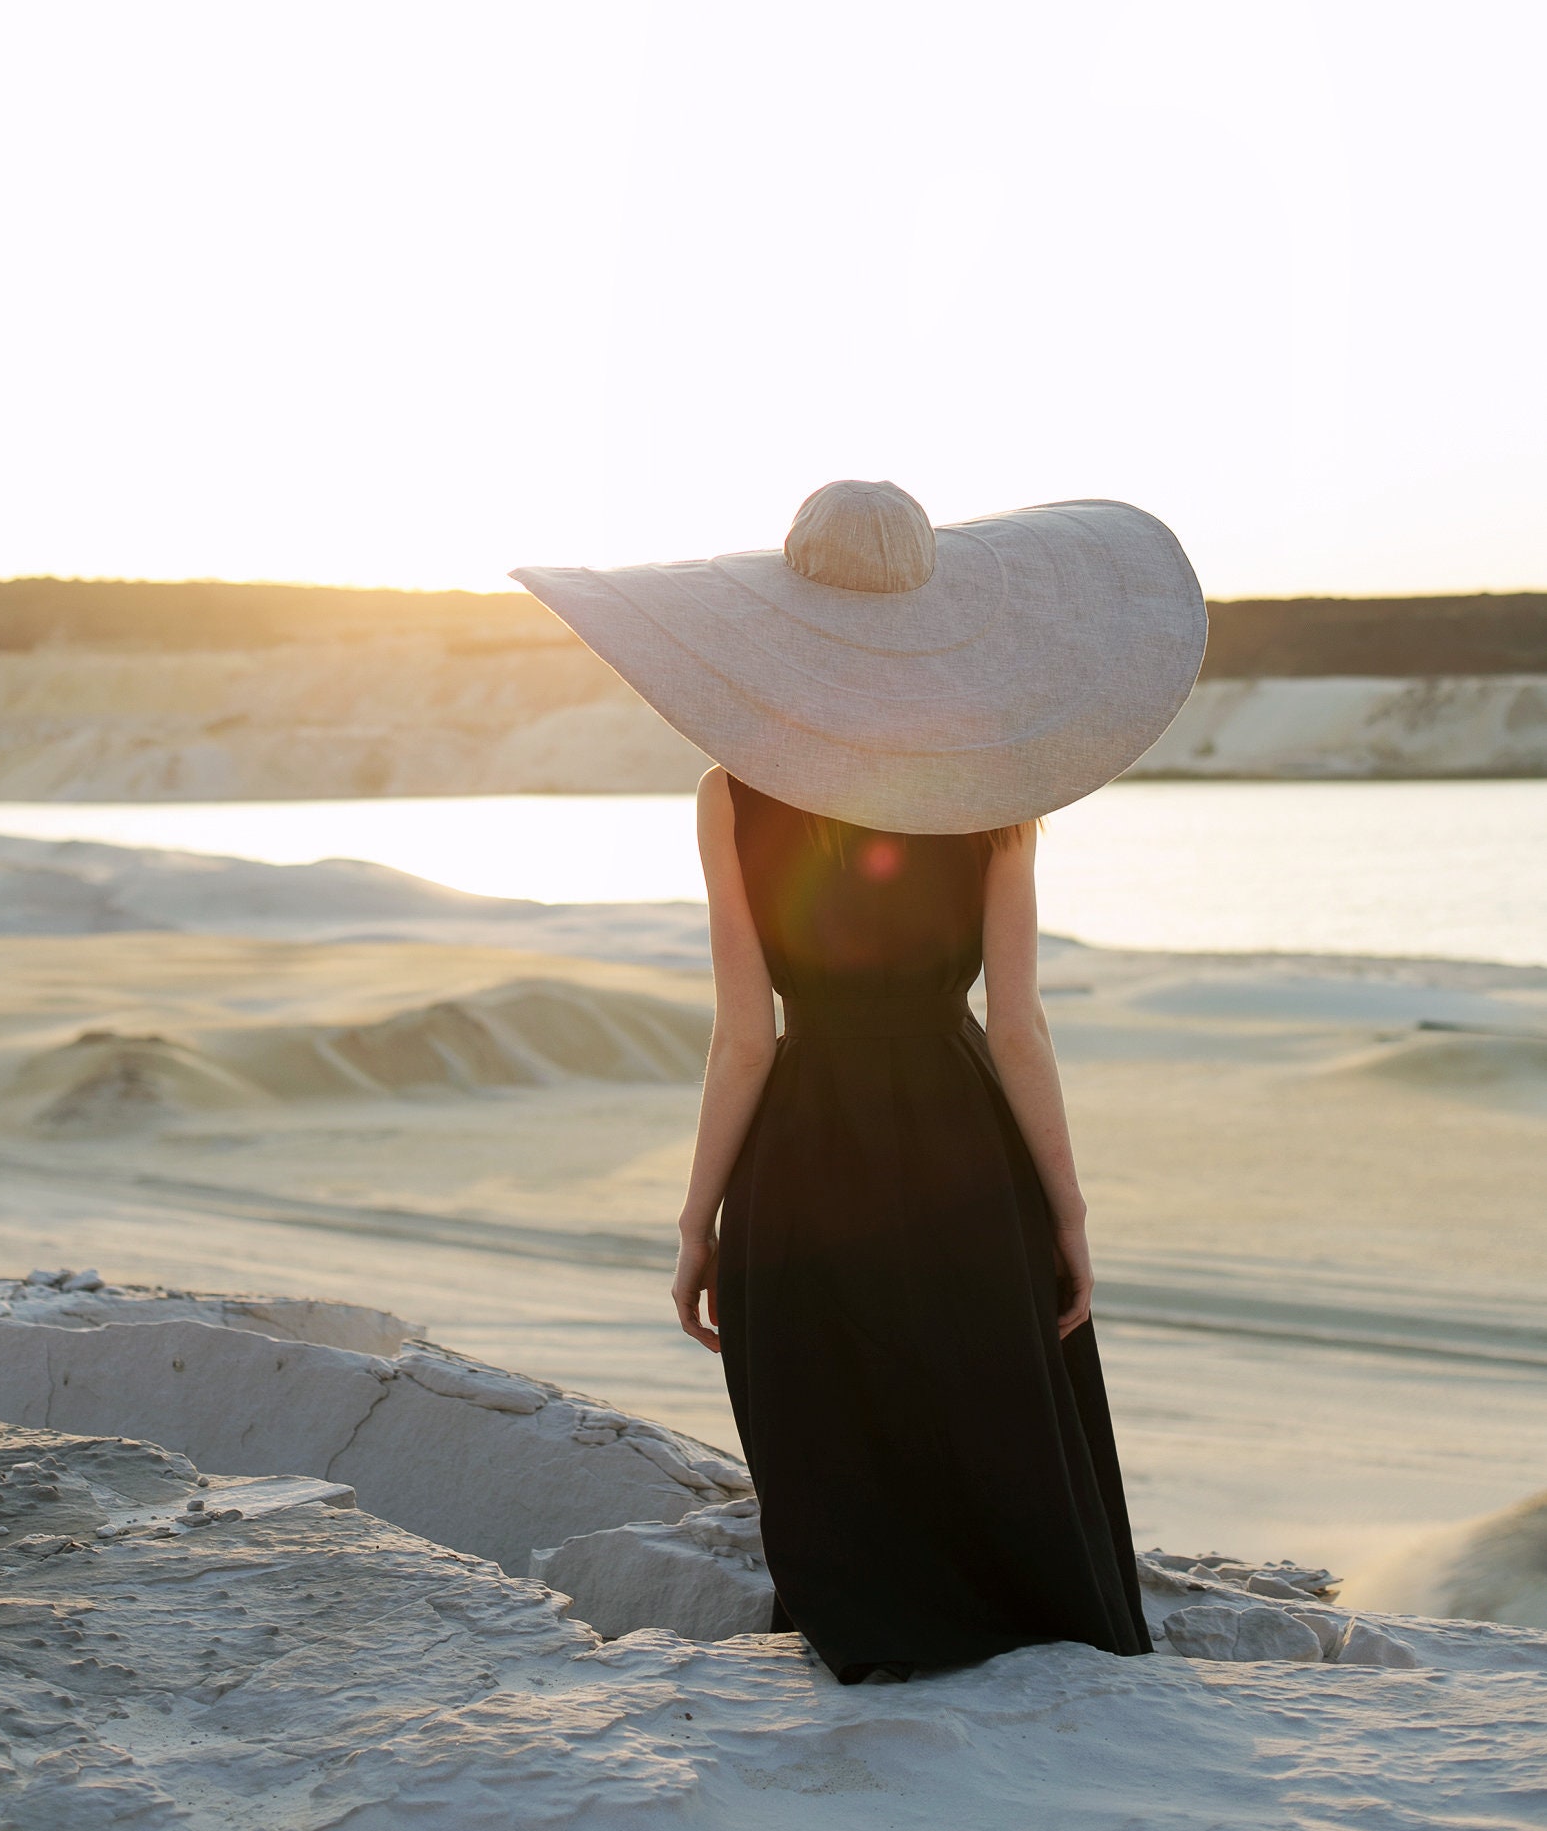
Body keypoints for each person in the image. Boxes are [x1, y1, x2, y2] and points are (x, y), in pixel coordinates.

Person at [514, 479, 1205, 1682]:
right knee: (986, 1405)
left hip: (804, 1145)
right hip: (961, 1138)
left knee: (837, 1415)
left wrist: (696, 1221)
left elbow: (742, 1035)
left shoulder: (731, 791)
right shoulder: (995, 789)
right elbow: (1018, 1024)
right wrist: (1067, 1210)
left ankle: (876, 1624)